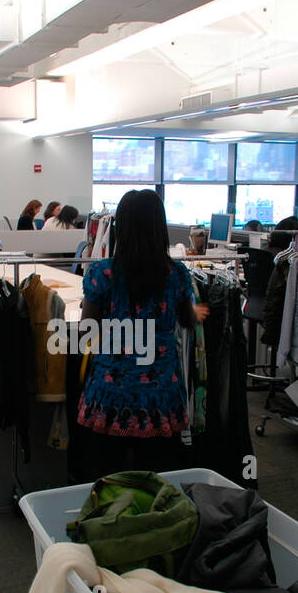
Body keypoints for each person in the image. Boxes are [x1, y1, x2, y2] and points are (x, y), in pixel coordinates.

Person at [77, 189, 208, 479]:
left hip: (111, 391)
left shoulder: (102, 273)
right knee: (158, 477)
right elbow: (188, 322)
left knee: (107, 475)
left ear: (121, 227)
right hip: (160, 392)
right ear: (159, 227)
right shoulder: (177, 274)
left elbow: (88, 330)